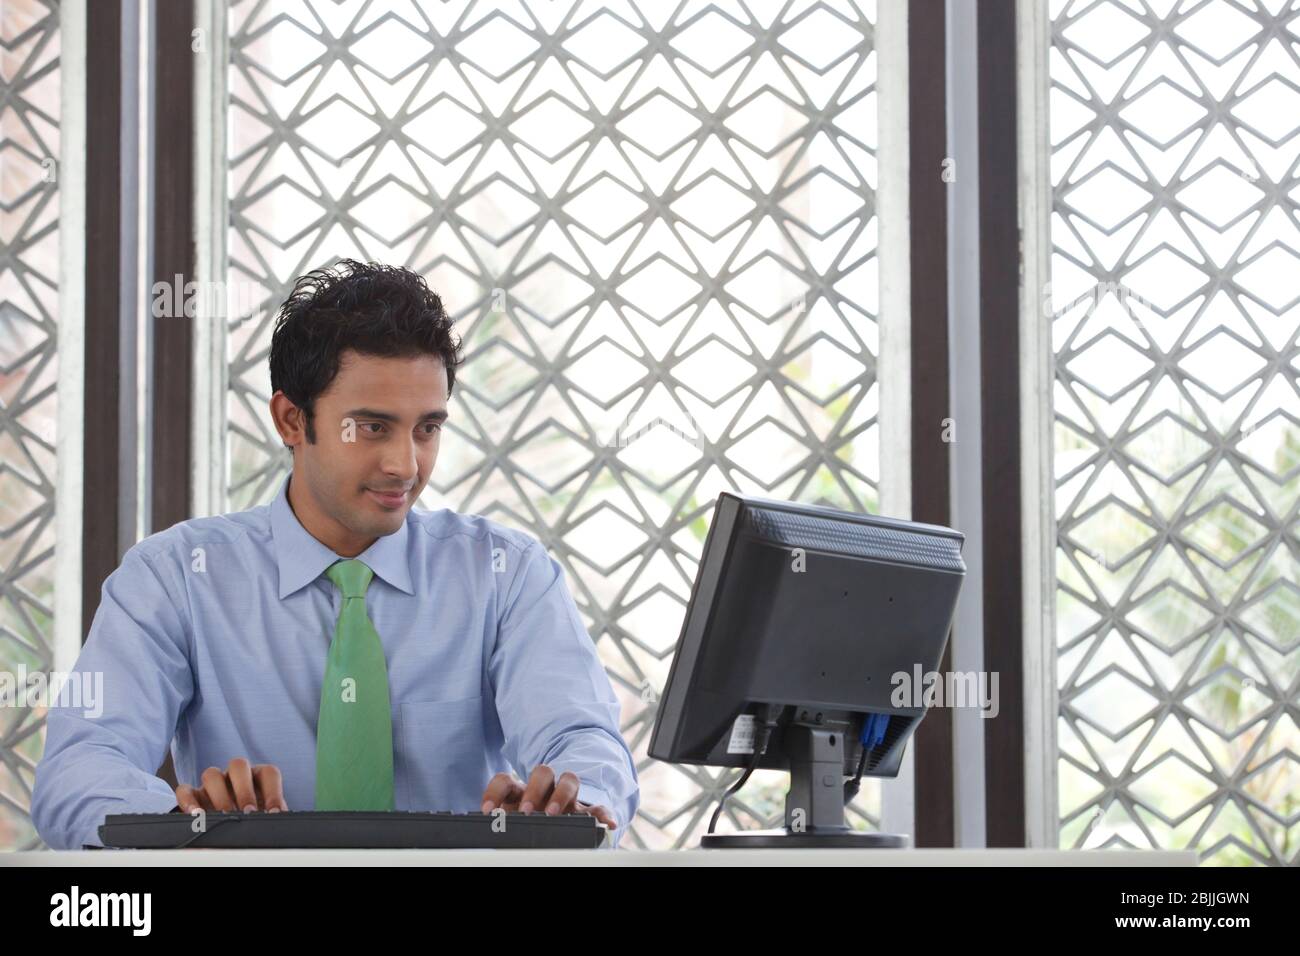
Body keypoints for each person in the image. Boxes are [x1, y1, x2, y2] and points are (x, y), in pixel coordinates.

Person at [32, 259, 639, 850]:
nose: (406, 464)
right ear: (291, 420)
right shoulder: (175, 579)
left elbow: (582, 738)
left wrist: (566, 807)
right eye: (372, 427)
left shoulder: (507, 577)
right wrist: (187, 828)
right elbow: (79, 770)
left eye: (426, 428)